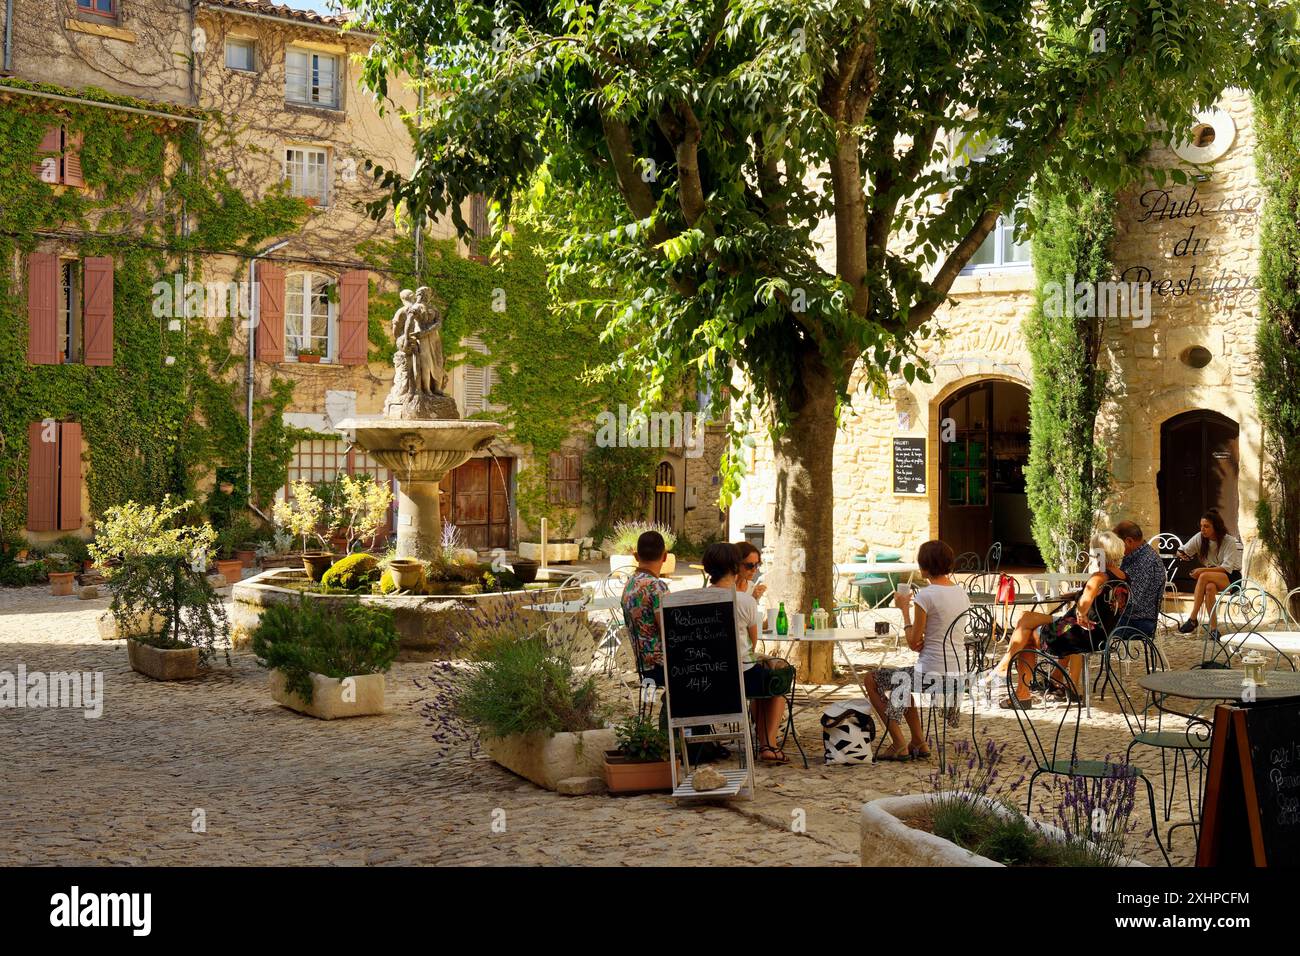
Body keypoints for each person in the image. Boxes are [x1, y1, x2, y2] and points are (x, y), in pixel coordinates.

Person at [993, 532, 1129, 709]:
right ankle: (1017, 667)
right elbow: (1099, 601)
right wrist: (1077, 596)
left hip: (1077, 635)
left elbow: (1083, 606)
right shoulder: (1124, 578)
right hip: (1101, 636)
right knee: (1026, 617)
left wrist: (1081, 608)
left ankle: (1021, 693)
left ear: (1099, 553)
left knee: (1026, 636)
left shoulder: (1098, 578)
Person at [863, 540, 970, 761]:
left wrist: (904, 610)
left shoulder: (926, 596)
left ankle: (899, 743)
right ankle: (919, 742)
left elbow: (913, 643)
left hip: (931, 674)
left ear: (924, 567)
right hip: (957, 674)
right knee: (903, 680)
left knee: (872, 680)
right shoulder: (961, 593)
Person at [701, 542, 792, 763]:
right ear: (735, 567)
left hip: (702, 680)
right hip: (738, 678)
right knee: (776, 682)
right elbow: (752, 644)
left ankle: (764, 742)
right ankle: (768, 744)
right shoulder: (745, 601)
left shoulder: (694, 599)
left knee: (762, 676)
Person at [1176, 509, 1242, 639]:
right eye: (1201, 526)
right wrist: (1182, 554)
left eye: (1206, 526)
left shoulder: (1229, 541)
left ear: (1215, 527)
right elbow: (1182, 550)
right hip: (1213, 576)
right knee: (1209, 587)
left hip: (1231, 576)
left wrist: (1202, 570)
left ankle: (1193, 618)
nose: (1203, 529)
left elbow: (1226, 568)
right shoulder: (1200, 538)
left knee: (1204, 576)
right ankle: (1214, 629)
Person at [620, 530, 671, 686]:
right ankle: (670, 707)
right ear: (665, 556)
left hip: (643, 665)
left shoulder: (629, 584)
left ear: (636, 556)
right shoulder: (657, 587)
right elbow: (669, 630)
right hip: (660, 667)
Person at [1113, 520, 1164, 639]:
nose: (1115, 548)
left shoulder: (1146, 561)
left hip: (1138, 623)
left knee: (1085, 630)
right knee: (1079, 625)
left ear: (1129, 541)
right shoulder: (1135, 556)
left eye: (1117, 544)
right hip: (1130, 619)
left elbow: (1131, 601)